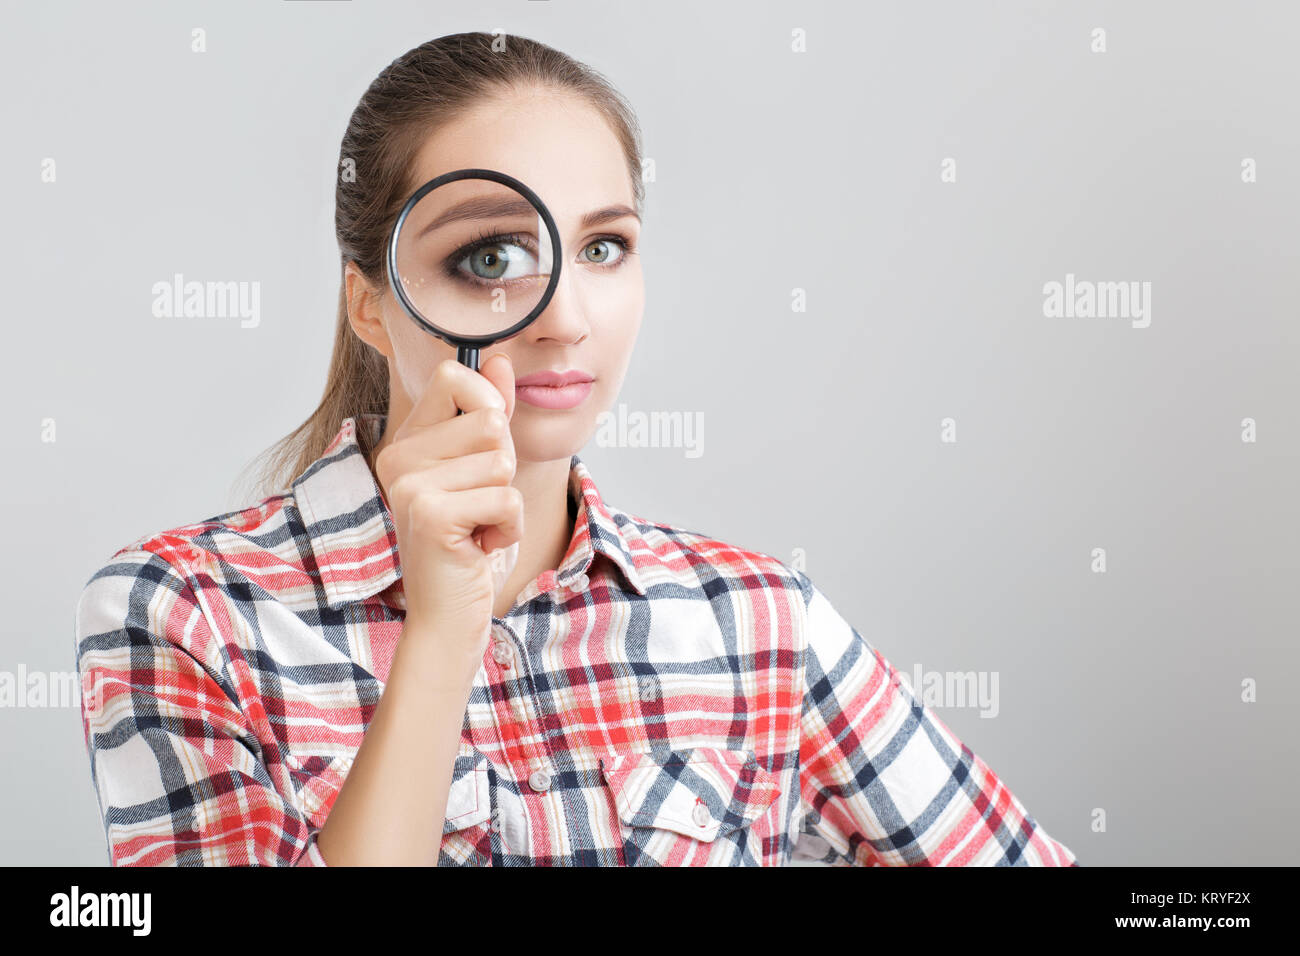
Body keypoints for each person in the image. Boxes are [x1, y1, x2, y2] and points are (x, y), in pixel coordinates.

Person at [73, 31, 1079, 867]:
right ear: (371, 301)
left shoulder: (756, 618)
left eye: (604, 247)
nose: (564, 316)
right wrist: (436, 636)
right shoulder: (183, 611)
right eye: (492, 255)